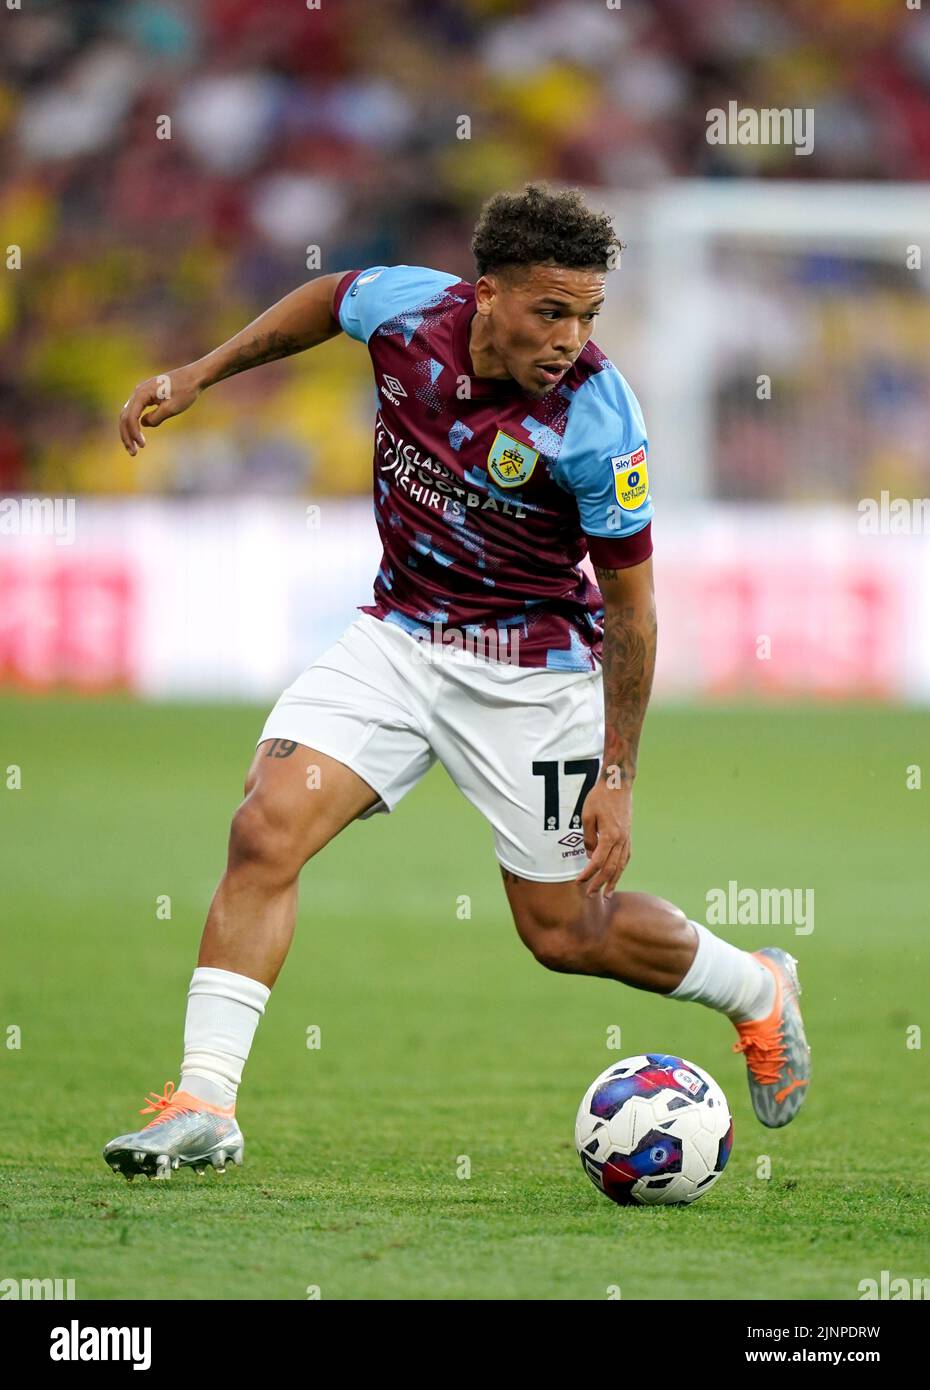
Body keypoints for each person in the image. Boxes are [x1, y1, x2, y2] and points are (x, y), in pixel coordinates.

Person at [105, 185, 809, 1184]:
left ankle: (756, 989)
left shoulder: (601, 424)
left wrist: (619, 771)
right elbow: (325, 298)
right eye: (551, 311)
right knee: (264, 827)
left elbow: (634, 614)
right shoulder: (407, 310)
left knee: (565, 933)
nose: (571, 337)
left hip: (532, 675)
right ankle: (204, 1104)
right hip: (397, 637)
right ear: (486, 296)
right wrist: (201, 373)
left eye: (588, 315)